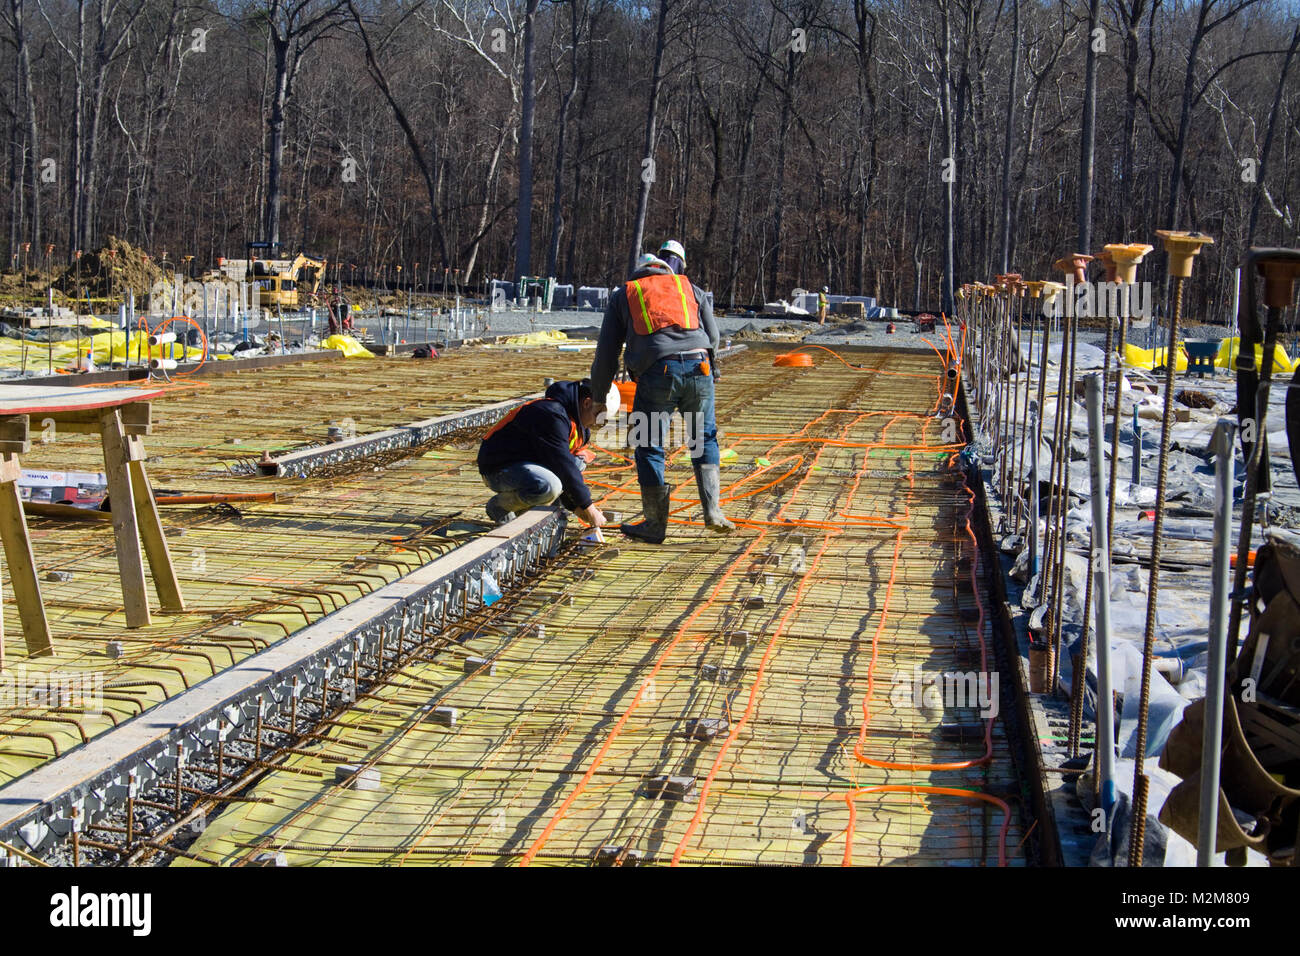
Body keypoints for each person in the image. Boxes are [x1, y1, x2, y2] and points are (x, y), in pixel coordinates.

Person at [590, 241, 734, 544]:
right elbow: (714, 335)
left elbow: (606, 354)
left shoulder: (625, 294)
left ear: (639, 274)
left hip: (658, 372)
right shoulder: (688, 287)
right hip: (700, 368)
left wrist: (599, 398)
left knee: (649, 443)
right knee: (702, 437)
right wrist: (712, 366)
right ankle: (714, 511)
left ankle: (655, 525)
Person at [477, 378, 609, 531]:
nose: (597, 423)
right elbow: (562, 466)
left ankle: (541, 513)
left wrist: (576, 508)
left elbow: (564, 467)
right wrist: (589, 508)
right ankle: (500, 506)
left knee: (578, 461)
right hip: (498, 468)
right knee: (549, 486)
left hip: (527, 466)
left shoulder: (579, 426)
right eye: (598, 416)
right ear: (586, 403)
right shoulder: (551, 414)